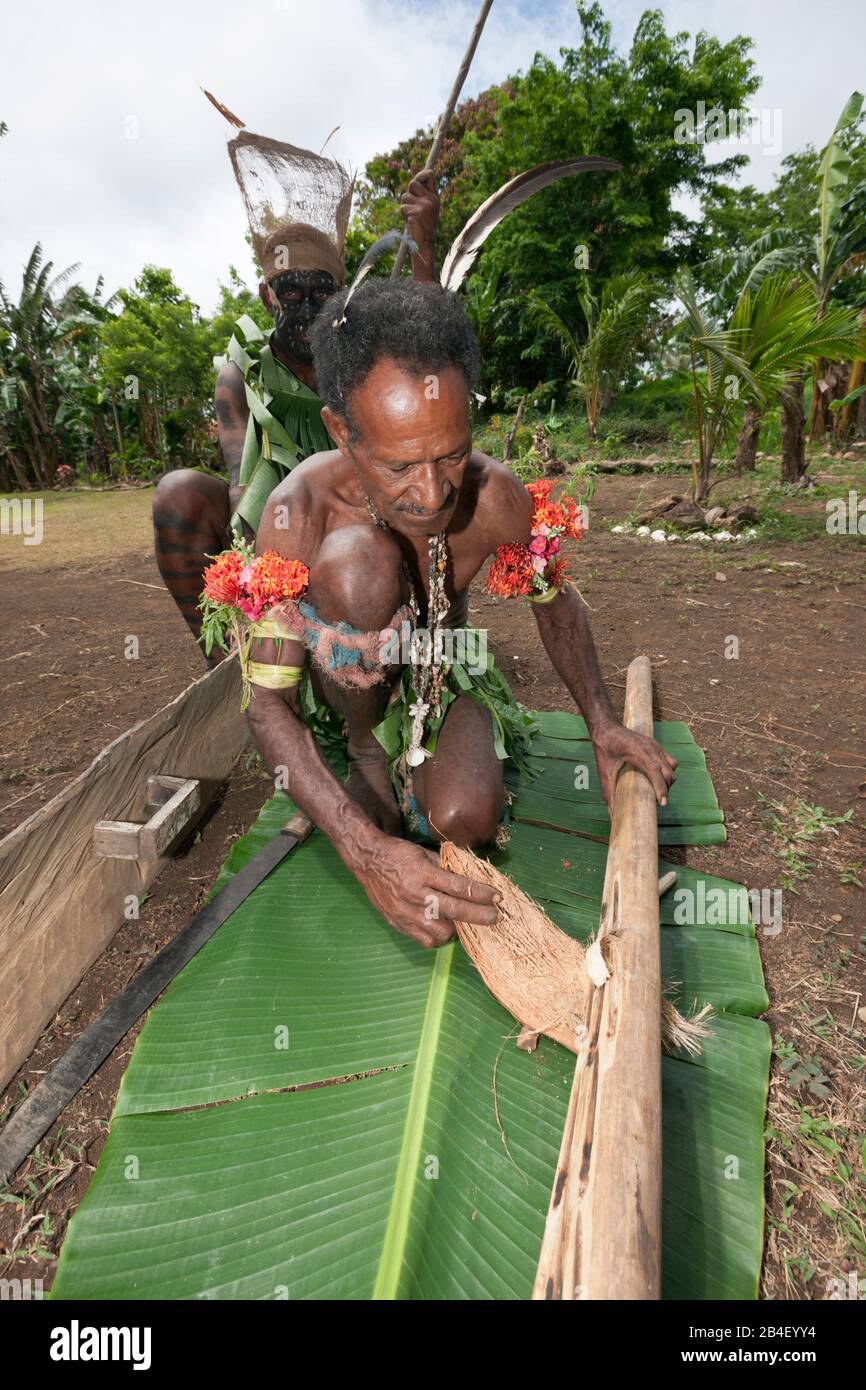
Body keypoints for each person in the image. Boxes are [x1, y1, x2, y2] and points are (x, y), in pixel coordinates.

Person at [229, 279, 677, 948]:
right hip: (349, 691)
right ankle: (362, 744)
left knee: (464, 817)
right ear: (340, 431)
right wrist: (366, 852)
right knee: (357, 564)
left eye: (453, 454)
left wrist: (602, 723)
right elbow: (267, 706)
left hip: (448, 675)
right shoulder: (300, 511)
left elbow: (554, 607)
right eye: (401, 464)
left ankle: (419, 762)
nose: (434, 491)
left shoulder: (497, 499)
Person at [152, 115, 439, 647]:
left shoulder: (362, 358)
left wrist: (424, 249)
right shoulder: (240, 374)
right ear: (267, 297)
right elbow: (243, 489)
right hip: (273, 529)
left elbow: (427, 356)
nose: (305, 311)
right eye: (290, 294)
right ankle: (232, 660)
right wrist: (262, 592)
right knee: (179, 494)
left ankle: (398, 641)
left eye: (320, 295)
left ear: (340, 295)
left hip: (361, 523)